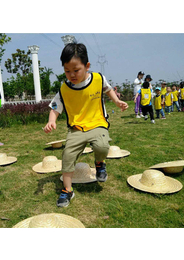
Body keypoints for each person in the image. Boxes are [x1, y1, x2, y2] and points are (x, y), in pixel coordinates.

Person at [43, 43, 128, 208]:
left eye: (76, 70)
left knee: (102, 146)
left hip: (97, 124)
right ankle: (67, 190)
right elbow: (55, 106)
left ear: (87, 66)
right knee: (67, 156)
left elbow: (108, 89)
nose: (72, 75)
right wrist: (51, 120)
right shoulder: (65, 88)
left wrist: (117, 101)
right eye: (67, 71)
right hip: (77, 128)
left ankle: (99, 163)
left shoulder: (98, 79)